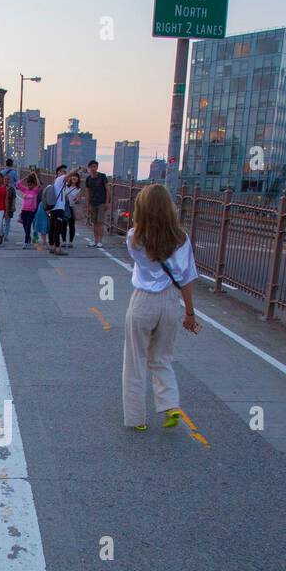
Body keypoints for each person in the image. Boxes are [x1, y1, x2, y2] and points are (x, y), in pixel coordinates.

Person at [122, 184, 200, 431]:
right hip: (170, 302)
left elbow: (147, 257)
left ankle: (137, 419)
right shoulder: (181, 239)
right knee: (162, 357)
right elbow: (187, 278)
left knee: (135, 360)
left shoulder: (134, 238)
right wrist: (189, 313)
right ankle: (170, 405)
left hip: (143, 300)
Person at [44, 164, 68, 256]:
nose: (65, 174)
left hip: (54, 209)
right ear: (58, 173)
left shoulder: (58, 183)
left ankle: (52, 247)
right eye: (63, 172)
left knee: (53, 229)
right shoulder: (59, 180)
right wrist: (78, 169)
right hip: (58, 209)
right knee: (57, 229)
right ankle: (57, 248)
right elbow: (70, 175)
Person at [85, 159, 109, 249]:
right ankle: (95, 241)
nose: (93, 168)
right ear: (89, 168)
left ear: (97, 167)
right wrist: (87, 204)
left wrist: (107, 202)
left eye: (94, 167)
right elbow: (87, 192)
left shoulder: (102, 176)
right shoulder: (88, 179)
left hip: (101, 202)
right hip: (92, 203)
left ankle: (100, 241)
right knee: (94, 222)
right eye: (91, 167)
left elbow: (107, 190)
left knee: (100, 222)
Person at [17, 173, 40, 246]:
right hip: (24, 210)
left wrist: (35, 176)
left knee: (28, 225)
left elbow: (39, 185)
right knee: (24, 225)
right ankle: (28, 237)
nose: (30, 186)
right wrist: (25, 177)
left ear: (34, 184)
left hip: (31, 211)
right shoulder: (25, 190)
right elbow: (18, 184)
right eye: (28, 184)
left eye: (31, 184)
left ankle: (26, 242)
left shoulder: (35, 191)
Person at [64, 172, 83, 246]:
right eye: (72, 176)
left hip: (72, 207)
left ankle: (71, 241)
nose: (74, 178)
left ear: (78, 179)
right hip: (65, 207)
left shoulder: (79, 189)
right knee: (64, 224)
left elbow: (79, 199)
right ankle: (64, 241)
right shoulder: (65, 186)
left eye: (76, 177)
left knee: (72, 225)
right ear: (70, 178)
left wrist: (77, 199)